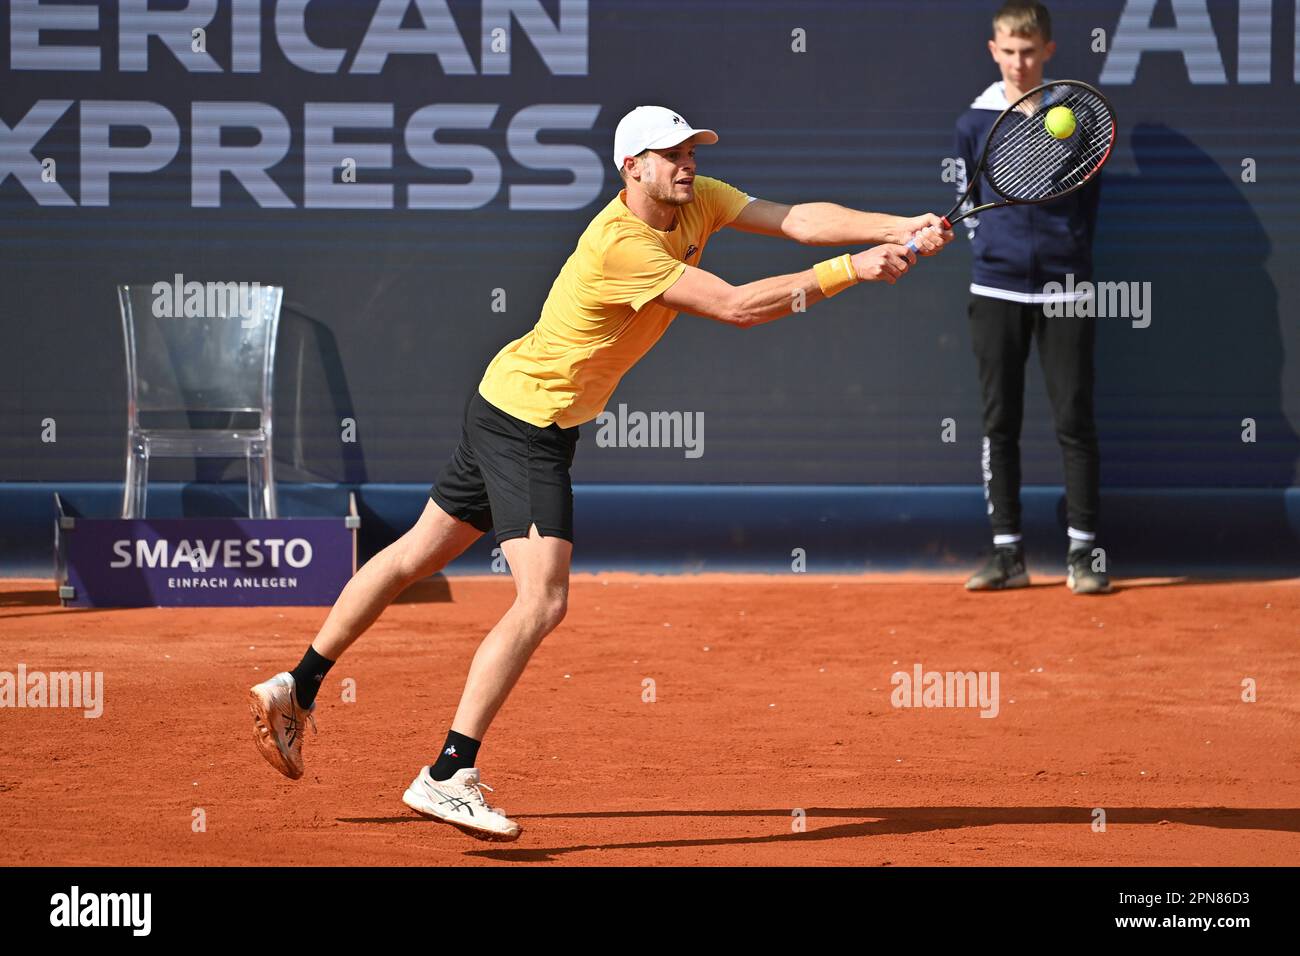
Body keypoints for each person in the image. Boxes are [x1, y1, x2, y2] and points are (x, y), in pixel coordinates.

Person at [249, 105, 954, 840]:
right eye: (669, 154)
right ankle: (448, 772)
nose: (686, 164)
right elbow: (739, 307)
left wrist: (897, 225)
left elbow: (799, 219)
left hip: (509, 402)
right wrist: (854, 271)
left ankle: (295, 688)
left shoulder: (699, 197)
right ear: (632, 168)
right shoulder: (620, 245)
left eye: (690, 150)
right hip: (527, 424)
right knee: (543, 599)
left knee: (412, 557)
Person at [956, 1, 1111, 594]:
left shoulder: (1076, 116)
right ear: (993, 51)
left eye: (1029, 52)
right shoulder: (973, 121)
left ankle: (1083, 554)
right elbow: (968, 197)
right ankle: (1007, 554)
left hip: (1065, 287)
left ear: (1047, 51)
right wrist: (988, 246)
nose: (1019, 63)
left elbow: (1088, 205)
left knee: (1074, 418)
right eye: (1009, 52)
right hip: (994, 287)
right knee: (1001, 421)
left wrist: (1068, 256)